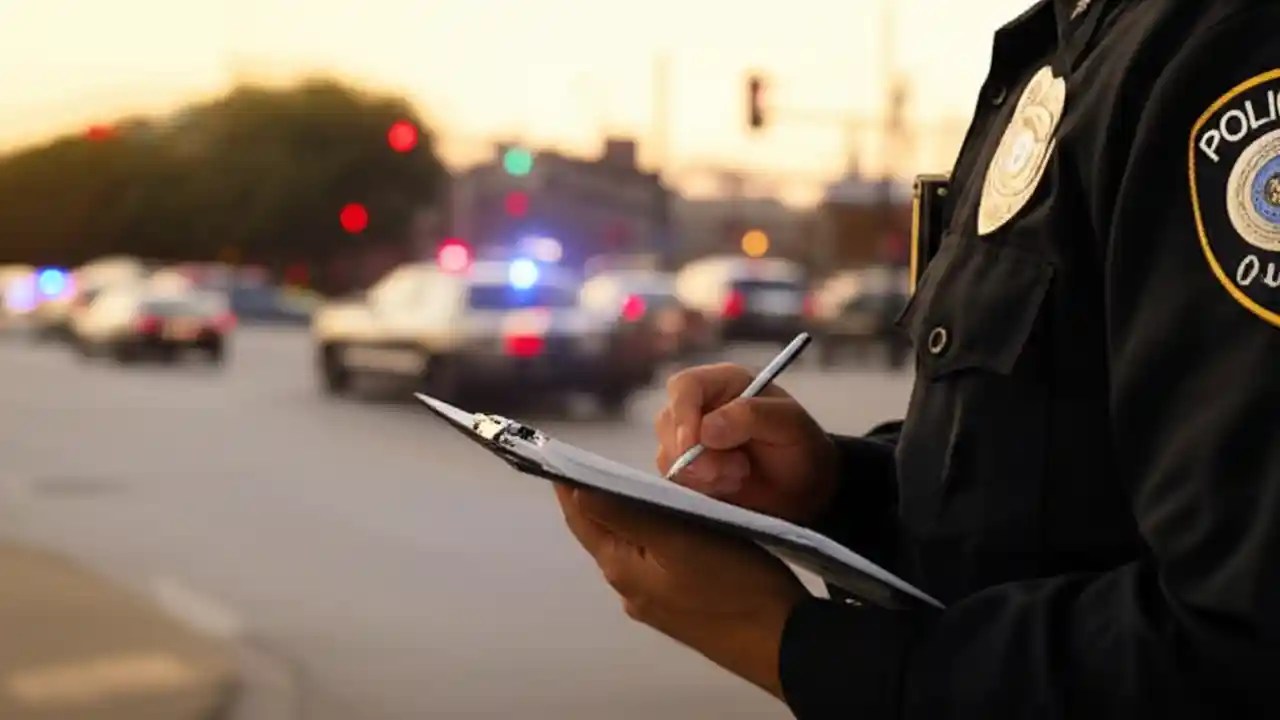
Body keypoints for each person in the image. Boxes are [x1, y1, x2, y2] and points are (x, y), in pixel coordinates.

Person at [554, 0, 1280, 717]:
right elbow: (1067, 488)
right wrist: (838, 489)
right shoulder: (1065, 48)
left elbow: (1236, 641)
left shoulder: (1225, 47)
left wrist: (787, 642)